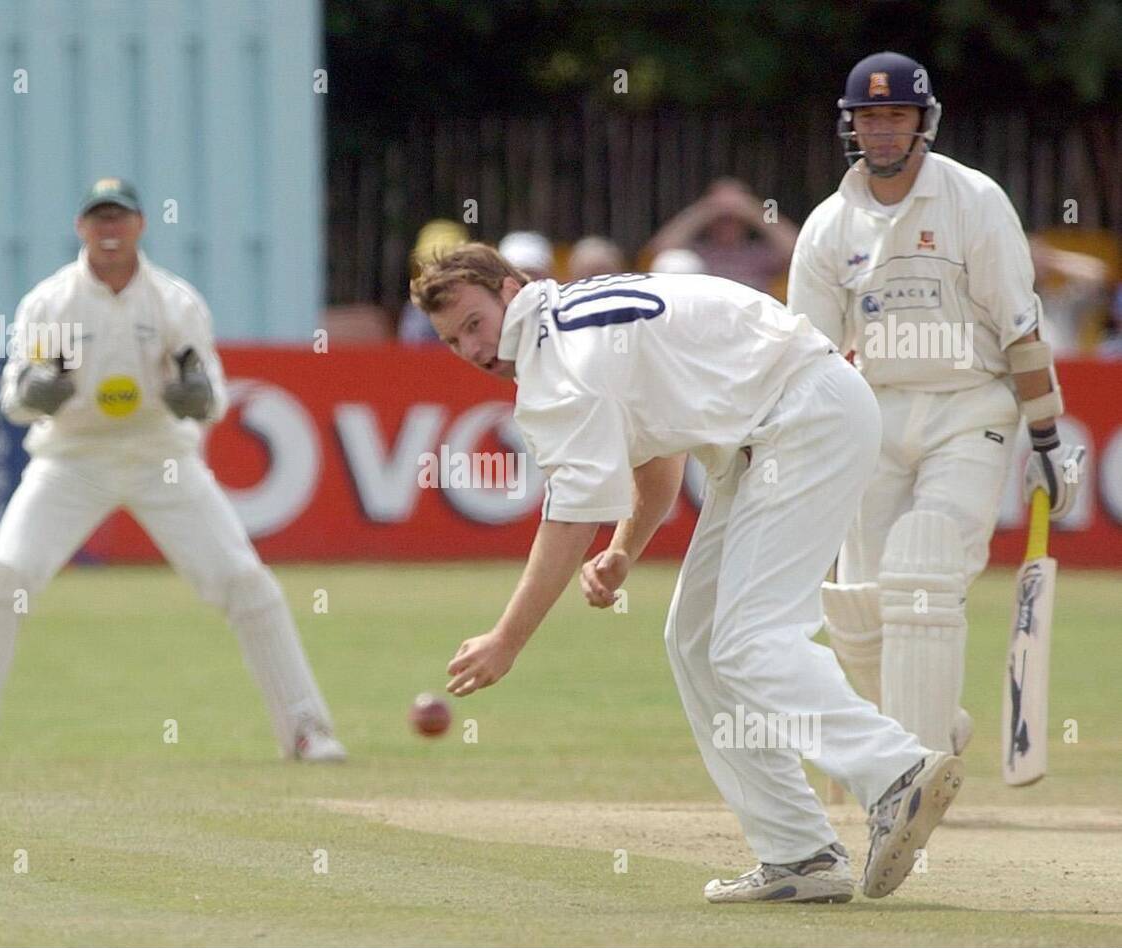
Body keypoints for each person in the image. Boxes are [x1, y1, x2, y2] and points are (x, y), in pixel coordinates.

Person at [410, 242, 964, 904]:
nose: (472, 351)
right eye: (451, 342)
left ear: (508, 290)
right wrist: (624, 551)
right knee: (697, 642)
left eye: (474, 324)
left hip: (802, 419)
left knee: (750, 640)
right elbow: (658, 458)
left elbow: (567, 520)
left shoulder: (559, 353)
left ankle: (897, 771)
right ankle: (799, 853)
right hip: (777, 430)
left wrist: (507, 639)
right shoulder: (575, 324)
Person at [0, 177, 346, 764]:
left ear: (140, 225)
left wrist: (194, 395)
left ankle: (308, 730)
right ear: (81, 227)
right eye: (98, 219)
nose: (109, 230)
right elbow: (13, 401)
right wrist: (39, 391)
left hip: (161, 457)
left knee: (244, 579)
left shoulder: (175, 303)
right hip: (72, 457)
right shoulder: (52, 303)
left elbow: (217, 399)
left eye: (119, 218)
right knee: (4, 576)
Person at [787, 53, 1085, 757]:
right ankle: (924, 736)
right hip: (873, 415)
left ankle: (915, 772)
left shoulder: (974, 201)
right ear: (850, 125)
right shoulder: (829, 227)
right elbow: (810, 361)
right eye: (870, 117)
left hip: (968, 408)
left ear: (924, 123)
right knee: (860, 609)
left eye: (897, 117)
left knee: (925, 564)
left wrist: (1045, 439)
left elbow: (1020, 329)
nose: (884, 132)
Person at [643, 178, 796, 293]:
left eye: (733, 219)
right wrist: (708, 208)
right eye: (721, 219)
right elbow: (658, 252)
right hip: (701, 317)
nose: (727, 224)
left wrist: (752, 209)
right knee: (675, 261)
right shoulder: (696, 251)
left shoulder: (759, 252)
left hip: (749, 320)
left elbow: (796, 249)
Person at [399, 219, 470, 345]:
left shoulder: (481, 309)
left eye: (446, 268)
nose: (436, 277)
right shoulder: (416, 315)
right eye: (429, 267)